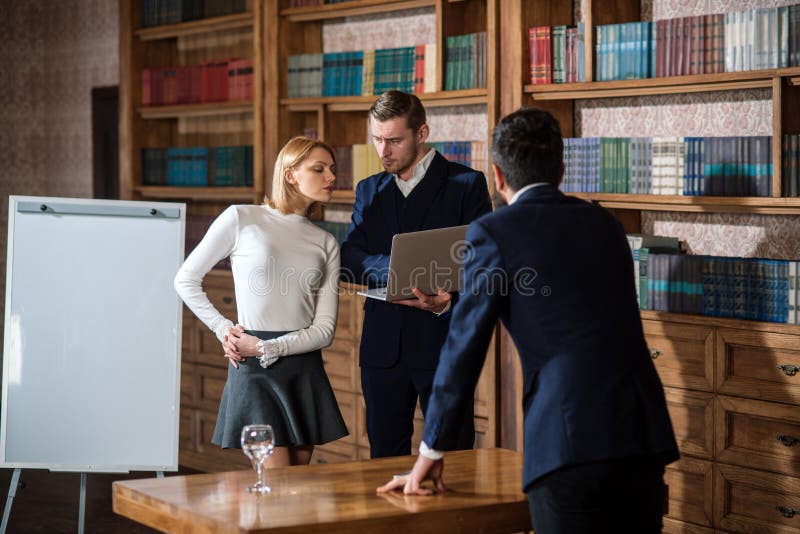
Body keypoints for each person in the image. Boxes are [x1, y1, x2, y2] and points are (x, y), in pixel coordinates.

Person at [378, 107, 679, 533]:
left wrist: (431, 452)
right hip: (642, 436)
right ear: (561, 169)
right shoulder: (606, 224)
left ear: (498, 177)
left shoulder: (495, 231)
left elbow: (464, 347)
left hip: (567, 440)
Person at [174, 136, 348, 468]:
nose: (331, 177)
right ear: (290, 174)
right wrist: (225, 330)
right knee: (277, 480)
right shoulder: (242, 218)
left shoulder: (326, 242)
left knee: (296, 487)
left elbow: (325, 330)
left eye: (332, 169)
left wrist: (268, 348)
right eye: (319, 169)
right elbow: (185, 279)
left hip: (302, 366)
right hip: (253, 368)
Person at [341, 90, 492, 458]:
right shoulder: (369, 190)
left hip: (442, 343)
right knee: (384, 456)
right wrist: (400, 269)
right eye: (376, 139)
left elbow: (482, 264)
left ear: (421, 133)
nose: (383, 151)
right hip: (382, 348)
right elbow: (350, 256)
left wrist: (448, 301)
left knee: (454, 456)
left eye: (394, 140)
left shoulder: (466, 184)